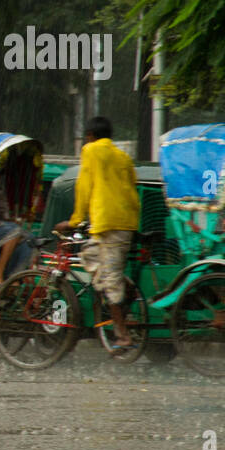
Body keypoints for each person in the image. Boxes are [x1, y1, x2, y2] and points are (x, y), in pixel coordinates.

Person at [55, 116, 140, 348]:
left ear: (90, 136)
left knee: (110, 282)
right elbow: (132, 185)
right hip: (122, 222)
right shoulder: (123, 157)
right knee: (89, 256)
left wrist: (74, 221)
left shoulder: (91, 150)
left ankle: (122, 335)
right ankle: (124, 290)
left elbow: (84, 186)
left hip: (111, 225)